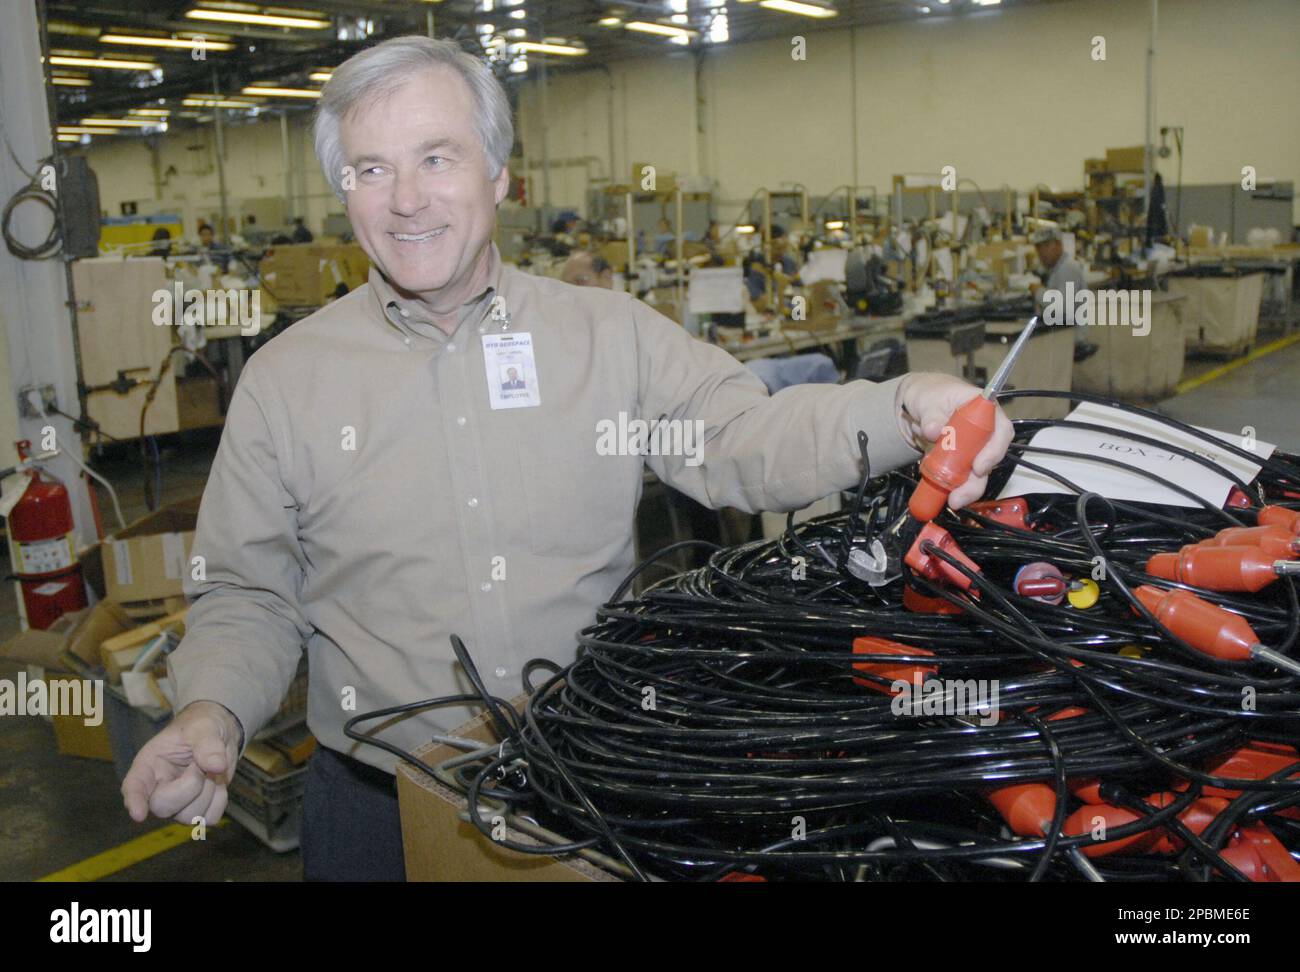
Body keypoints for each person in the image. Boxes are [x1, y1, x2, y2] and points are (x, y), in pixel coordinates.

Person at [121, 35, 1013, 882]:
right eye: (371, 169)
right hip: (376, 809)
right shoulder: (286, 381)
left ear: (500, 175)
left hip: (591, 775)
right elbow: (248, 591)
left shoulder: (606, 335)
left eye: (437, 157)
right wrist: (212, 710)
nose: (405, 199)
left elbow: (740, 435)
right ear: (343, 191)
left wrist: (900, 409)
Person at [1030, 226, 1089, 342]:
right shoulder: (1057, 268)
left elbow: (1062, 308)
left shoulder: (1068, 268)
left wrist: (1038, 292)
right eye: (1038, 247)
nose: (1042, 252)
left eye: (1046, 245)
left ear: (1059, 245)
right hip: (1063, 332)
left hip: (1072, 338)